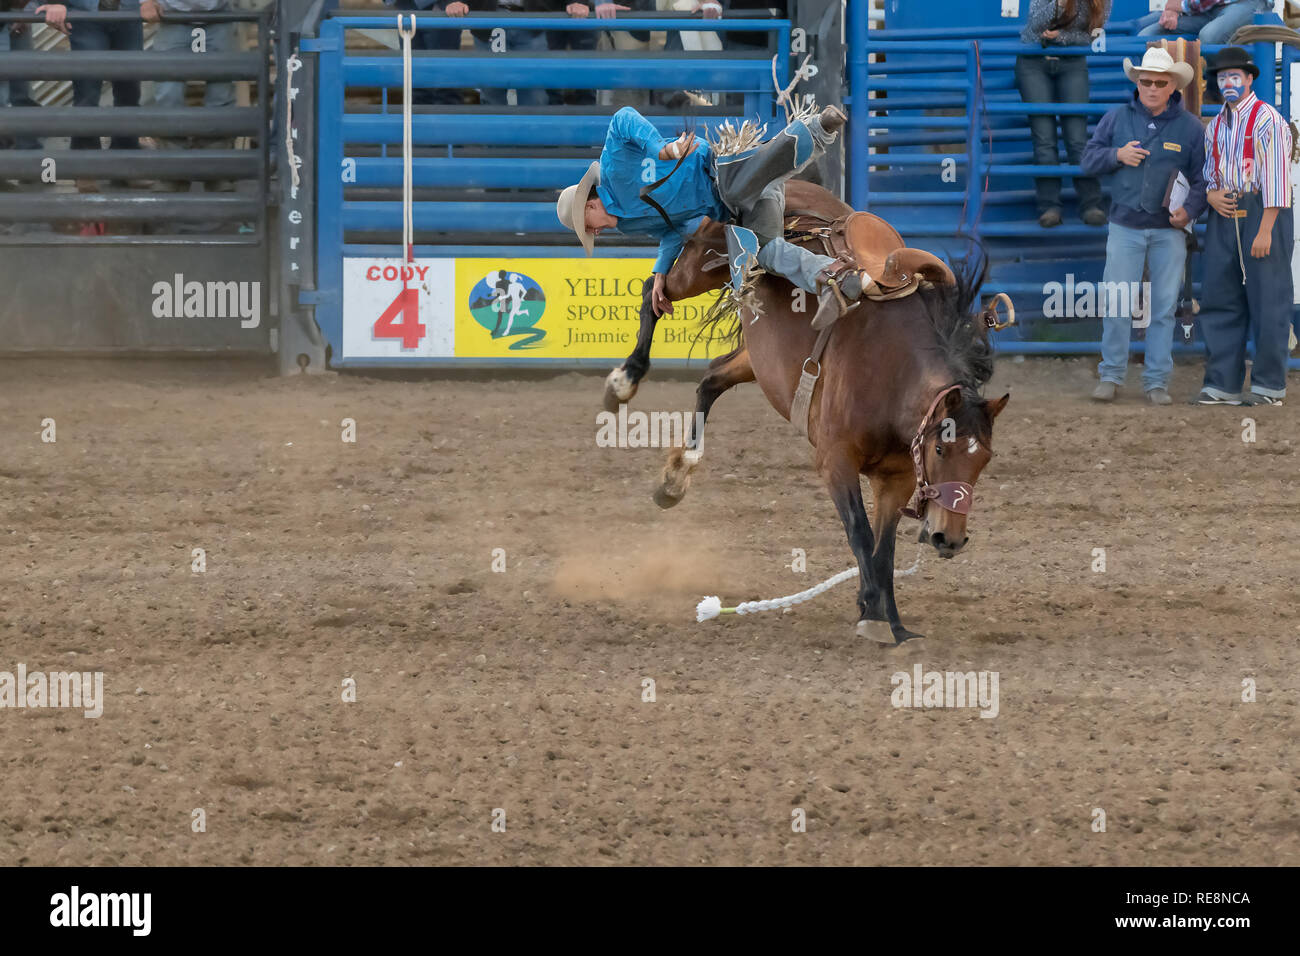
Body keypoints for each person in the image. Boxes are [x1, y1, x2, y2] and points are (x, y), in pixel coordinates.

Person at [555, 105, 875, 328]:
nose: (595, 234)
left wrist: (660, 149)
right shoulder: (626, 224)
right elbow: (672, 231)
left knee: (733, 187)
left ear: (589, 206)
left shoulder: (613, 167)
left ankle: (818, 129)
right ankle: (834, 275)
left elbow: (622, 118)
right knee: (768, 255)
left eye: (588, 228)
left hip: (723, 167)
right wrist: (661, 274)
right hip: (743, 208)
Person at [1081, 48, 1206, 405]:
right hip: (1125, 226)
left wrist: (1190, 211)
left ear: (1172, 86)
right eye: (1146, 81)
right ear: (1138, 83)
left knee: (1164, 307)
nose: (1151, 87)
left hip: (1169, 230)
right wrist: (1115, 155)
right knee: (1118, 302)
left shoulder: (1191, 129)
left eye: (1159, 82)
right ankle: (1112, 375)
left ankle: (1156, 381)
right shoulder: (1115, 118)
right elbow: (1089, 160)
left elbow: (1201, 180)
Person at [1193, 46, 1293, 406]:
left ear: (1249, 79)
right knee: (1220, 295)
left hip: (1262, 209)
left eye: (1235, 76)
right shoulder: (1216, 125)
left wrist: (1266, 228)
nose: (1229, 82)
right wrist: (1212, 196)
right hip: (1225, 209)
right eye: (1222, 77)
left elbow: (1279, 179)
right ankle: (1222, 383)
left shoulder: (1269, 120)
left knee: (1269, 297)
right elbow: (1209, 174)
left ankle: (1268, 386)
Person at [1016, 0, 1111, 228]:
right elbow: (1035, 24)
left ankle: (1090, 204)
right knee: (1044, 138)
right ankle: (1049, 207)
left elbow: (1094, 35)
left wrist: (1061, 38)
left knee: (1077, 137)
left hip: (1072, 63)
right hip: (1033, 61)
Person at [140, 0, 236, 193]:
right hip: (173, 15)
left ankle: (217, 171)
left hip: (218, 15)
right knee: (168, 93)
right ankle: (174, 172)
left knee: (221, 93)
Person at [31, 0, 142, 159]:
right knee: (87, 92)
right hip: (86, 16)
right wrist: (54, 3)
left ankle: (128, 160)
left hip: (129, 15)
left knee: (130, 92)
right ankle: (85, 163)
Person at [382, 0, 471, 106]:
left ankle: (445, 121)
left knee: (443, 86)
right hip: (406, 9)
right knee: (415, 84)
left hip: (441, 9)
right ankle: (420, 121)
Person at [1137, 0, 1269, 46]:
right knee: (1147, 35)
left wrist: (1179, 6)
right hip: (1204, 8)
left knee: (1209, 36)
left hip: (1243, 3)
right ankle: (1149, 92)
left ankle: (1214, 91)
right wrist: (1172, 9)